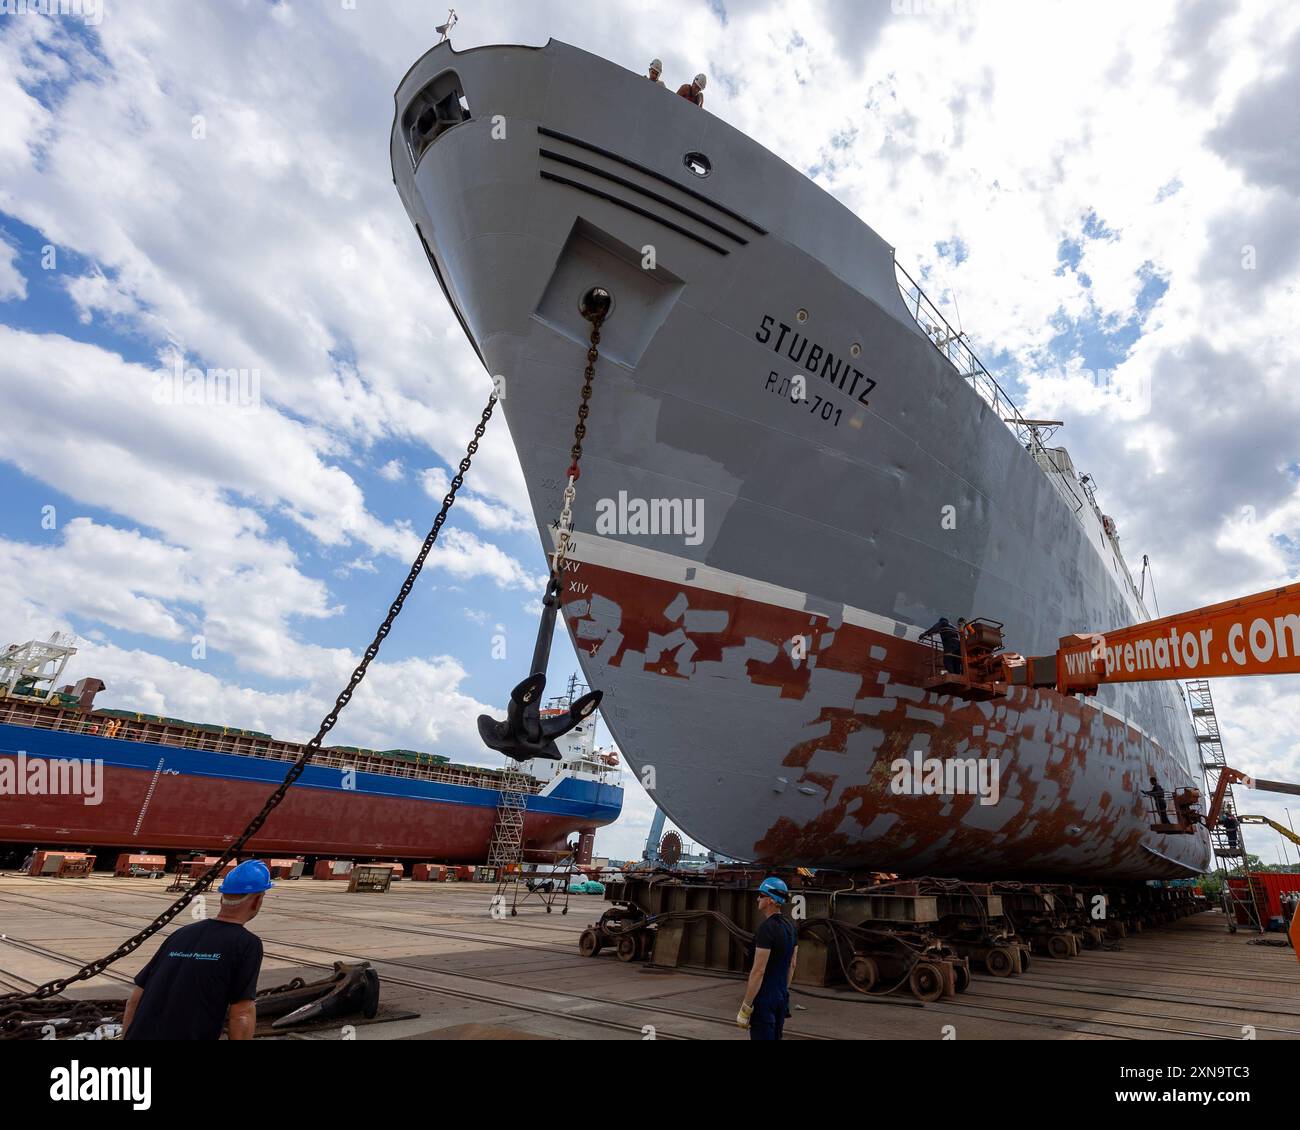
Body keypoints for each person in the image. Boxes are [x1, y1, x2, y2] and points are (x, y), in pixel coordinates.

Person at [123, 859, 271, 1041]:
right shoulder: (247, 944)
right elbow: (241, 1012)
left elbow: (135, 999)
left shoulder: (181, 934)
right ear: (257, 901)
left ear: (221, 898)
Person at [737, 876, 798, 1040]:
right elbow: (792, 965)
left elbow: (758, 971)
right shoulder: (791, 927)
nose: (758, 898)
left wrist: (746, 1005)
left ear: (771, 900)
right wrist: (783, 992)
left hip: (765, 999)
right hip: (780, 997)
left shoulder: (766, 929)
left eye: (761, 895)